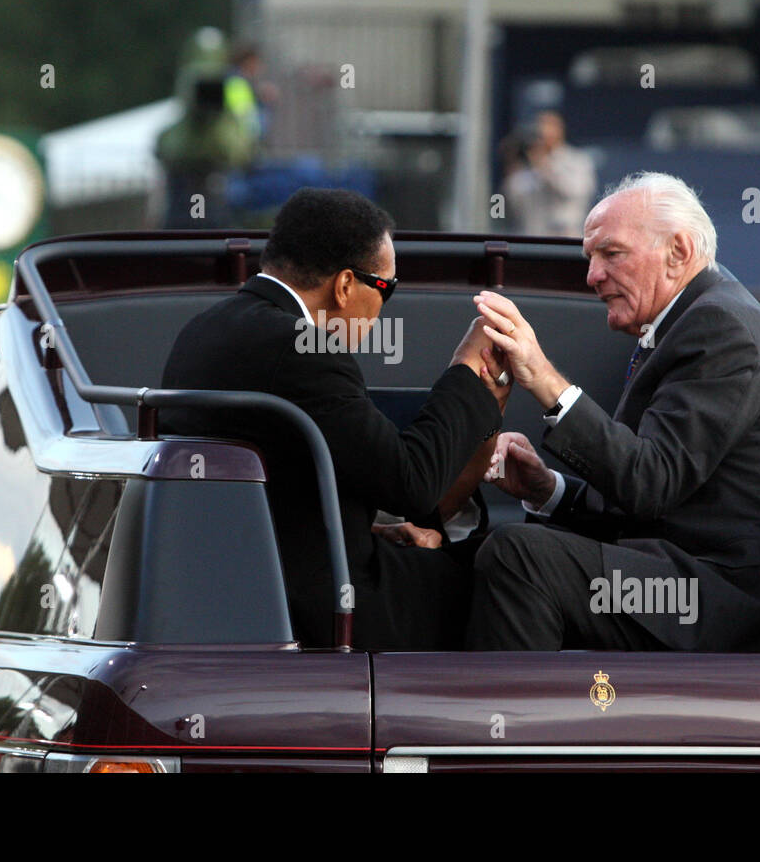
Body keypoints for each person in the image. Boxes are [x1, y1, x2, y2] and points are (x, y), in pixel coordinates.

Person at [466, 171, 760, 653]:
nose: (592, 275)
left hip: (724, 596)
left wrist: (545, 380)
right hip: (686, 573)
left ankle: (518, 727)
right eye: (590, 258)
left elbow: (652, 481)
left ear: (678, 252)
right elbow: (647, 488)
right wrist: (547, 490)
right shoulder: (687, 323)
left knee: (519, 558)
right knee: (476, 552)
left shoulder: (722, 327)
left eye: (611, 254)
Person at [160, 187, 507, 650]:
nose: (385, 310)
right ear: (345, 285)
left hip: (229, 588)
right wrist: (467, 371)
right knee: (511, 576)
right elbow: (414, 482)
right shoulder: (309, 350)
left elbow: (275, 491)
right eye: (387, 288)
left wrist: (367, 529)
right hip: (319, 611)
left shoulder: (201, 329)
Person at [503, 111, 596, 238]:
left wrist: (545, 167)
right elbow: (513, 201)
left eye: (547, 127)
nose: (542, 133)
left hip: (565, 235)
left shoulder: (576, 161)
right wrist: (513, 162)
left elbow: (575, 192)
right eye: (538, 129)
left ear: (559, 130)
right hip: (533, 236)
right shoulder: (529, 164)